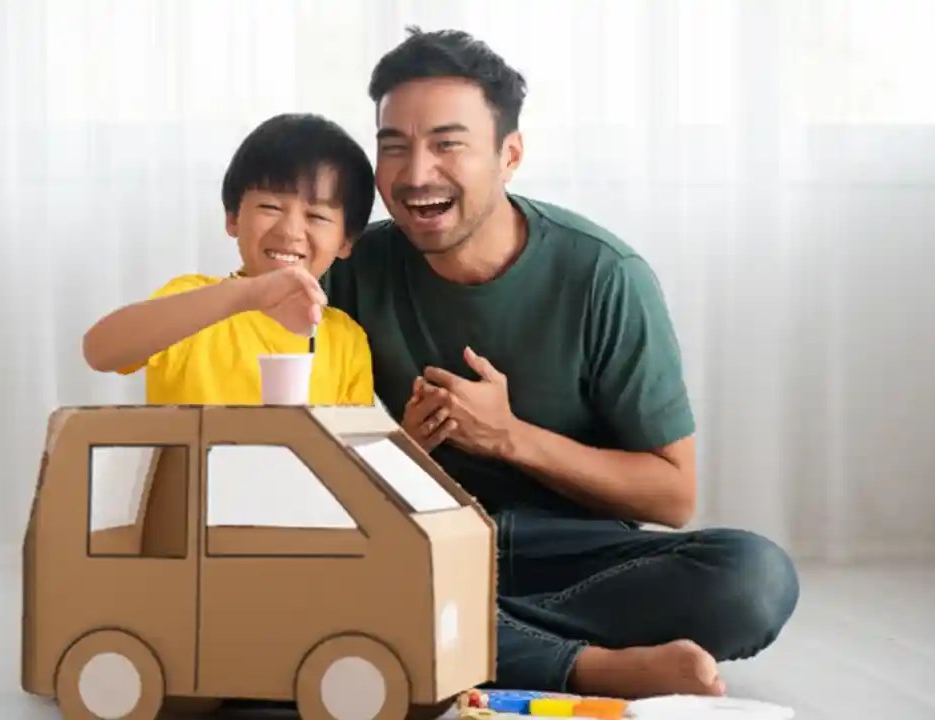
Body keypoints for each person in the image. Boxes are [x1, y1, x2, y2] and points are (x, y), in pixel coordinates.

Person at [322, 28, 801, 699]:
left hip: (576, 561)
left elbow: (671, 494)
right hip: (423, 546)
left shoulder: (605, 276)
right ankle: (587, 667)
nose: (415, 173)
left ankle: (459, 641)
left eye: (447, 143)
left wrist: (509, 437)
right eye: (393, 146)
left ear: (509, 155)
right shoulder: (350, 269)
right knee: (302, 568)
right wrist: (403, 452)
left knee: (755, 577)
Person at [83, 113, 375, 407]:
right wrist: (247, 295)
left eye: (316, 216)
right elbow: (99, 351)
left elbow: (350, 446)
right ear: (233, 217)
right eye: (271, 207)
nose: (290, 231)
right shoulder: (194, 301)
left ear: (345, 241)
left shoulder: (346, 341)